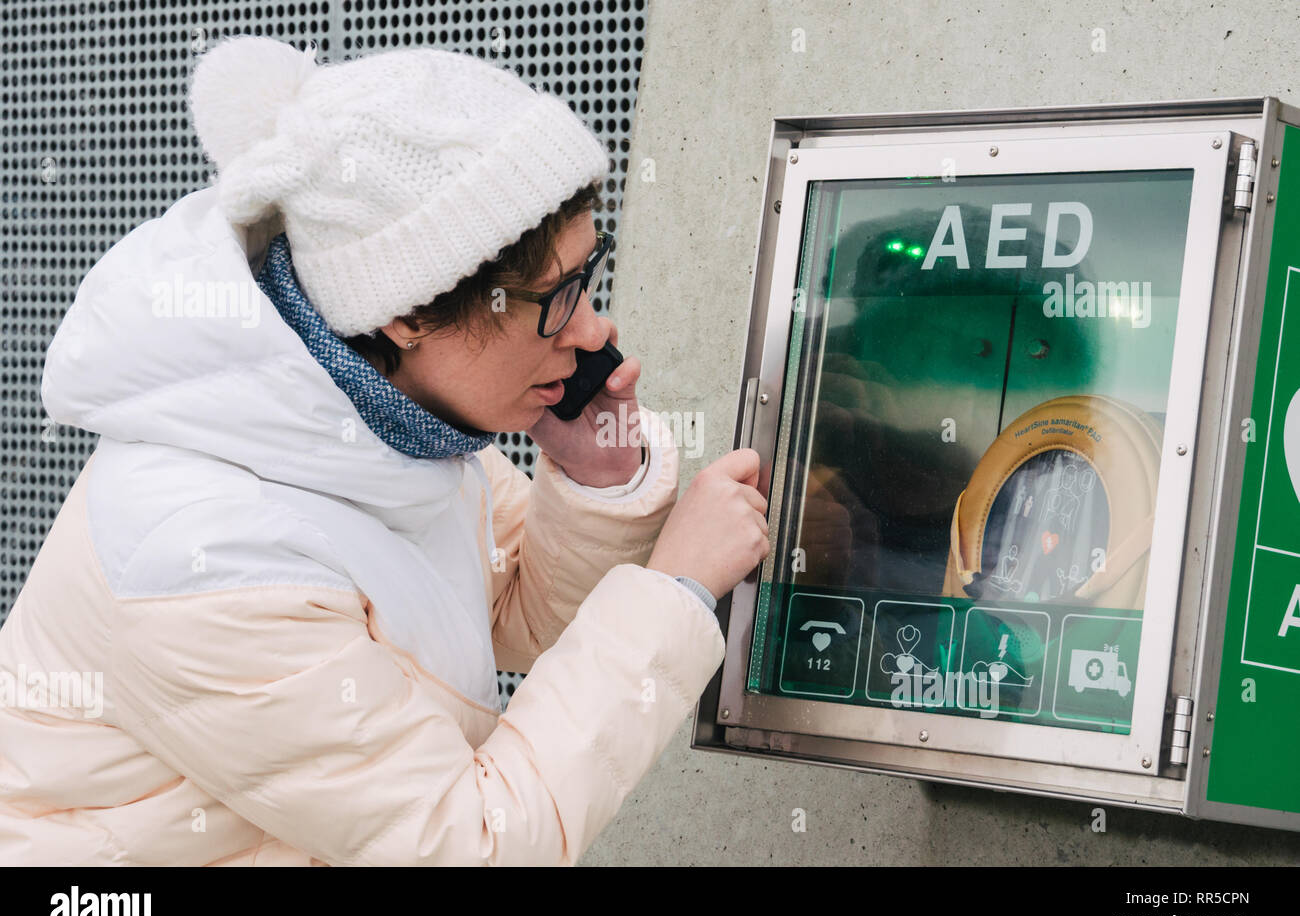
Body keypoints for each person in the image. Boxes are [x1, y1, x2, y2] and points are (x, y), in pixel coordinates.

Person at [0, 36, 768, 865]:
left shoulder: (377, 414)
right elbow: (468, 846)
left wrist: (596, 476)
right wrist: (675, 591)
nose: (592, 332)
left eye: (592, 274)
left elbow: (518, 615)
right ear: (405, 313)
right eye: (556, 299)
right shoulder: (206, 559)